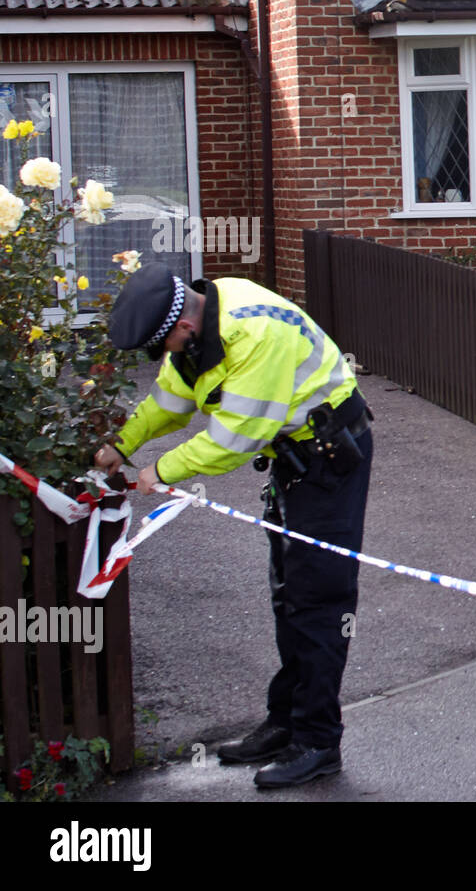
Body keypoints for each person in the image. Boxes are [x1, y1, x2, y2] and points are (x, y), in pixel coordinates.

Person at [94, 262, 373, 788]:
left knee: (319, 600)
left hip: (329, 459)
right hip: (295, 459)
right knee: (288, 593)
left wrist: (161, 470)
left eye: (168, 347)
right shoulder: (204, 321)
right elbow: (168, 404)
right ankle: (286, 720)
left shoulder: (254, 334)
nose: (170, 358)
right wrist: (121, 446)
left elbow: (232, 440)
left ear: (183, 328)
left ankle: (317, 741)